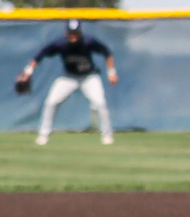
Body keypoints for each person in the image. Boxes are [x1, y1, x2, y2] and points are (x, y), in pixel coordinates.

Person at [16, 18, 120, 146]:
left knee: (100, 103)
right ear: (66, 33)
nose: (74, 36)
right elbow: (40, 55)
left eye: (76, 33)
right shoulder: (61, 44)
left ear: (80, 33)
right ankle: (43, 135)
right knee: (51, 102)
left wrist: (112, 72)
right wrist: (28, 70)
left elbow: (107, 53)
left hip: (89, 77)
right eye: (71, 33)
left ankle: (107, 135)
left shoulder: (88, 42)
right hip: (68, 77)